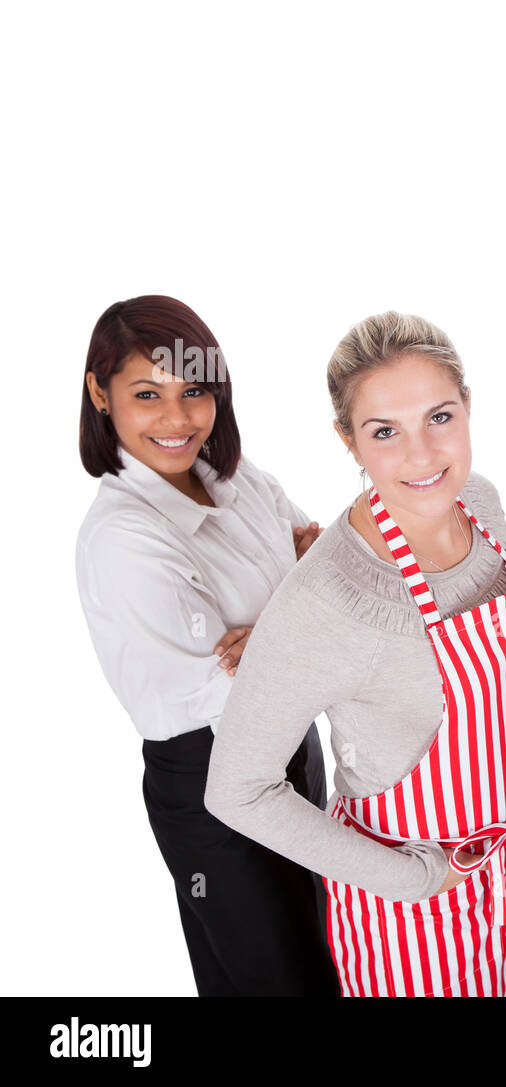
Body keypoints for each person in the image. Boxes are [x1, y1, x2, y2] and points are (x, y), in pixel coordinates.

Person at [204, 312, 506, 997]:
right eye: (384, 431)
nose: (422, 455)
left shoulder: (480, 503)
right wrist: (413, 878)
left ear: (468, 406)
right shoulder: (330, 596)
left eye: (440, 417)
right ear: (348, 440)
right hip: (408, 929)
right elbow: (237, 789)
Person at [75, 294, 337, 996]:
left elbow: (335, 562)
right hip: (213, 785)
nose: (178, 418)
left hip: (297, 752)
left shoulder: (236, 477)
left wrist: (283, 629)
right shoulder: (123, 538)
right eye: (147, 395)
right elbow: (238, 685)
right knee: (275, 979)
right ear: (100, 394)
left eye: (195, 391)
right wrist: (307, 608)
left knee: (326, 959)